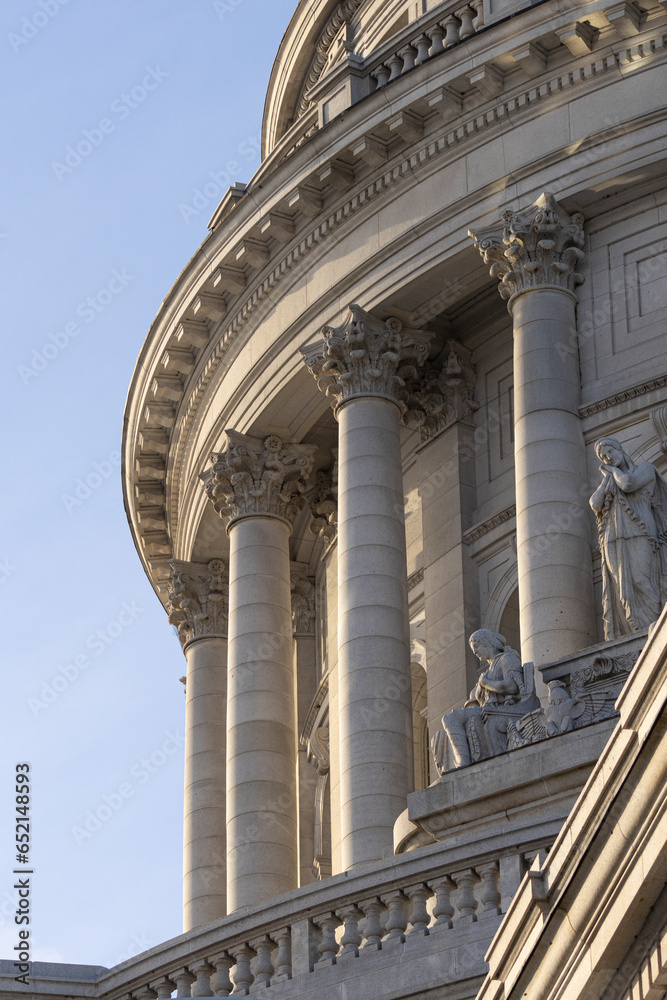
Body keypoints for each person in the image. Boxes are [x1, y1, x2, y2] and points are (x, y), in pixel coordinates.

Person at [589, 438, 667, 639]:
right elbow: (595, 503)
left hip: (641, 531)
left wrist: (612, 472)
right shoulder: (610, 480)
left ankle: (656, 630)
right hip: (613, 538)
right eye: (603, 457)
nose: (607, 458)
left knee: (642, 580)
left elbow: (628, 484)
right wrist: (606, 479)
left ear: (620, 449)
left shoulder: (645, 469)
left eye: (609, 452)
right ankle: (636, 634)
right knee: (623, 590)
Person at [439, 629, 527, 769]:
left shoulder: (507, 659)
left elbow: (513, 686)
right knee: (442, 732)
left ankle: (463, 763)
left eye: (477, 645)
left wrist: (486, 684)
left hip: (500, 710)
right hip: (488, 709)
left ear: (487, 642)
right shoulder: (489, 670)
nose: (474, 651)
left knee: (450, 719)